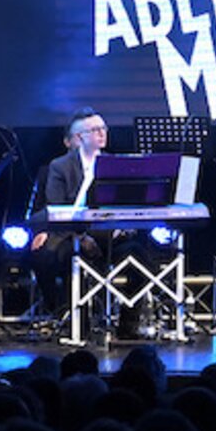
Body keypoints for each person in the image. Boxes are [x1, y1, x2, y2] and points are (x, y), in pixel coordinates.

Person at [36, 109, 150, 336]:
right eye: (95, 130)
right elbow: (56, 208)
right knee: (62, 256)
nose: (101, 133)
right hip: (74, 236)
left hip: (109, 237)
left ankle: (128, 325)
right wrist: (80, 237)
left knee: (142, 257)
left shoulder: (115, 163)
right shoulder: (60, 167)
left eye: (103, 129)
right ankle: (79, 326)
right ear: (79, 138)